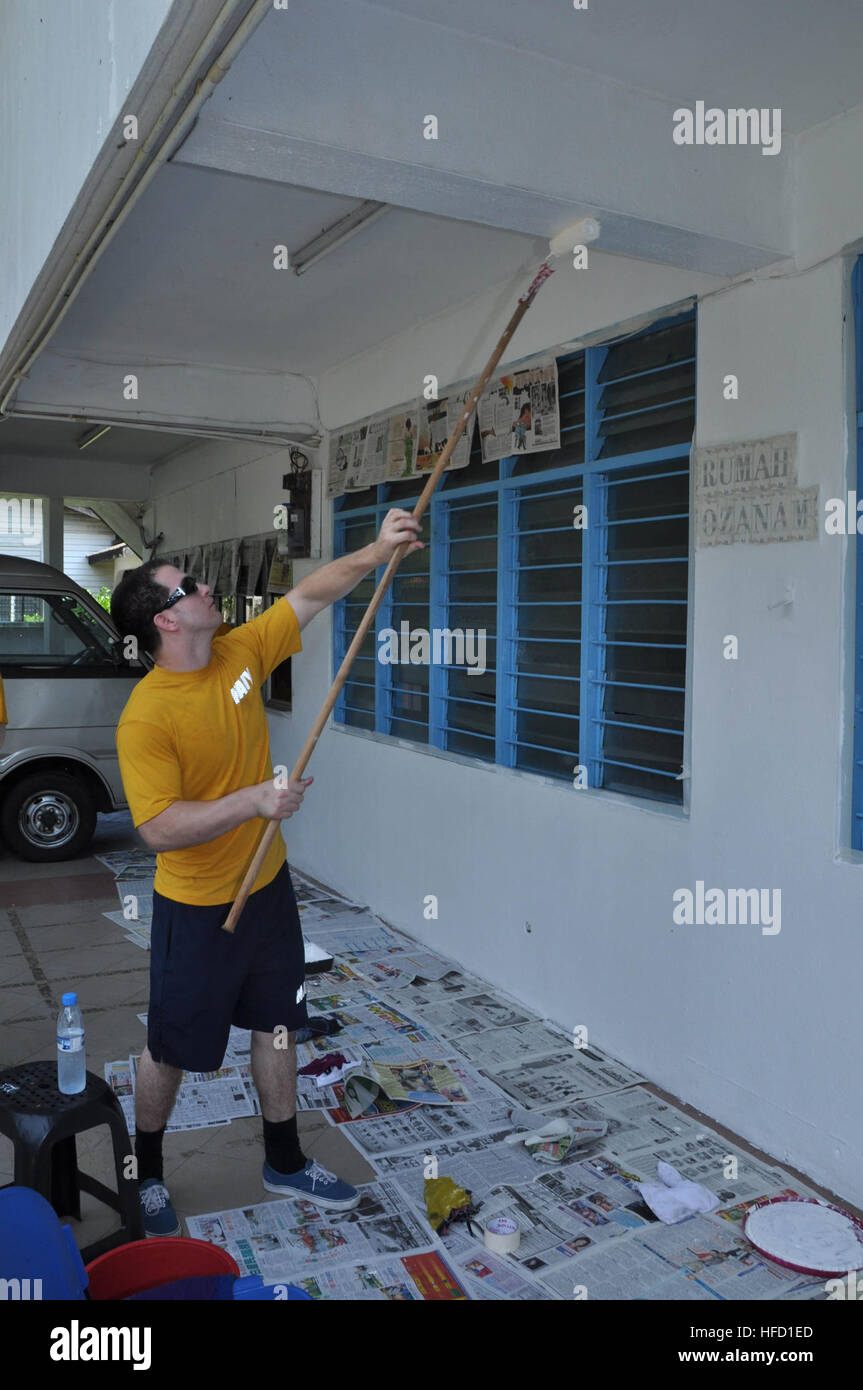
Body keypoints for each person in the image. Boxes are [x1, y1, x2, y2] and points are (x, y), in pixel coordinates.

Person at [111, 509, 423, 1236]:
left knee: (278, 1025)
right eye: (187, 585)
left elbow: (309, 596)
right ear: (164, 620)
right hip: (194, 907)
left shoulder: (239, 654)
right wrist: (252, 799)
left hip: (267, 888)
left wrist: (376, 552)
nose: (206, 587)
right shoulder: (147, 717)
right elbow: (157, 827)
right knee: (173, 1045)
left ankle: (283, 1161)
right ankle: (147, 1171)